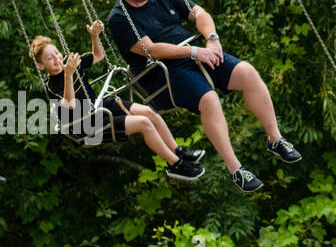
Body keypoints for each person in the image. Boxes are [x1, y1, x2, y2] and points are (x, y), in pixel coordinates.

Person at [105, 0, 301, 194]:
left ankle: (275, 139)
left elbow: (199, 13)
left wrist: (212, 39)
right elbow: (151, 50)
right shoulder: (119, 18)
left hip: (196, 53)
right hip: (164, 75)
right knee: (209, 99)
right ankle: (236, 169)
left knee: (248, 72)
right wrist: (193, 52)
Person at [31, 21, 206, 180]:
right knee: (144, 123)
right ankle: (175, 164)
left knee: (148, 112)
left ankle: (177, 150)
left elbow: (97, 56)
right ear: (41, 66)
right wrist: (69, 74)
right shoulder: (50, 85)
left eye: (56, 53)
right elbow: (70, 104)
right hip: (84, 125)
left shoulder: (71, 63)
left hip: (96, 107)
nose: (56, 59)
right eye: (49, 58)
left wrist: (94, 36)